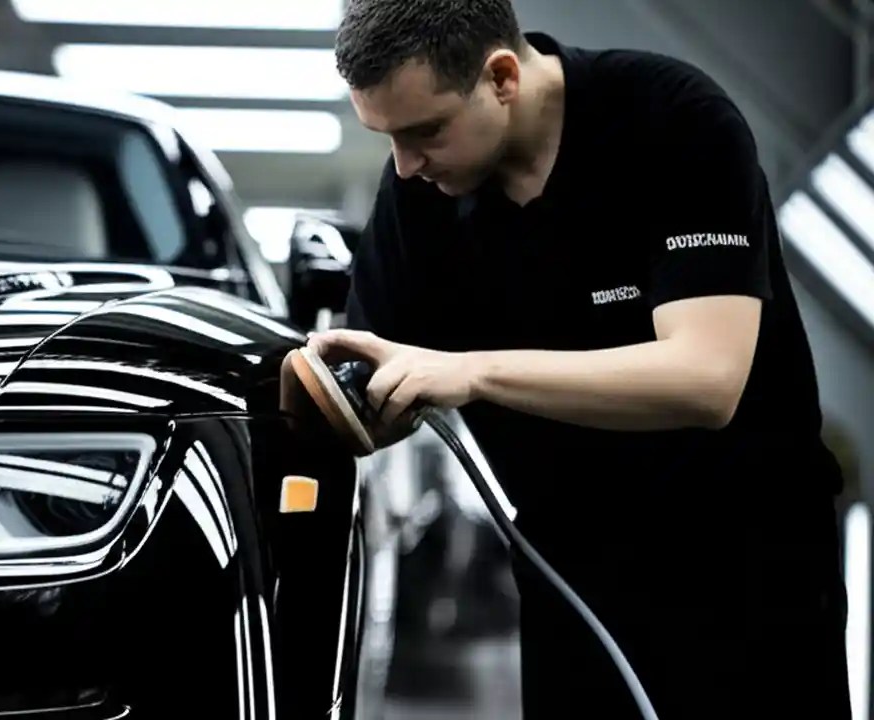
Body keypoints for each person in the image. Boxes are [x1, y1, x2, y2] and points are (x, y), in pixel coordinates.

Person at [308, 1, 853, 718]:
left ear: (502, 77)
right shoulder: (421, 196)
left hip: (744, 564)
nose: (406, 165)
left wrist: (472, 371)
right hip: (573, 576)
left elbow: (707, 379)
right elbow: (370, 381)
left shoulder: (672, 121)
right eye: (388, 139)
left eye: (425, 131)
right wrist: (330, 389)